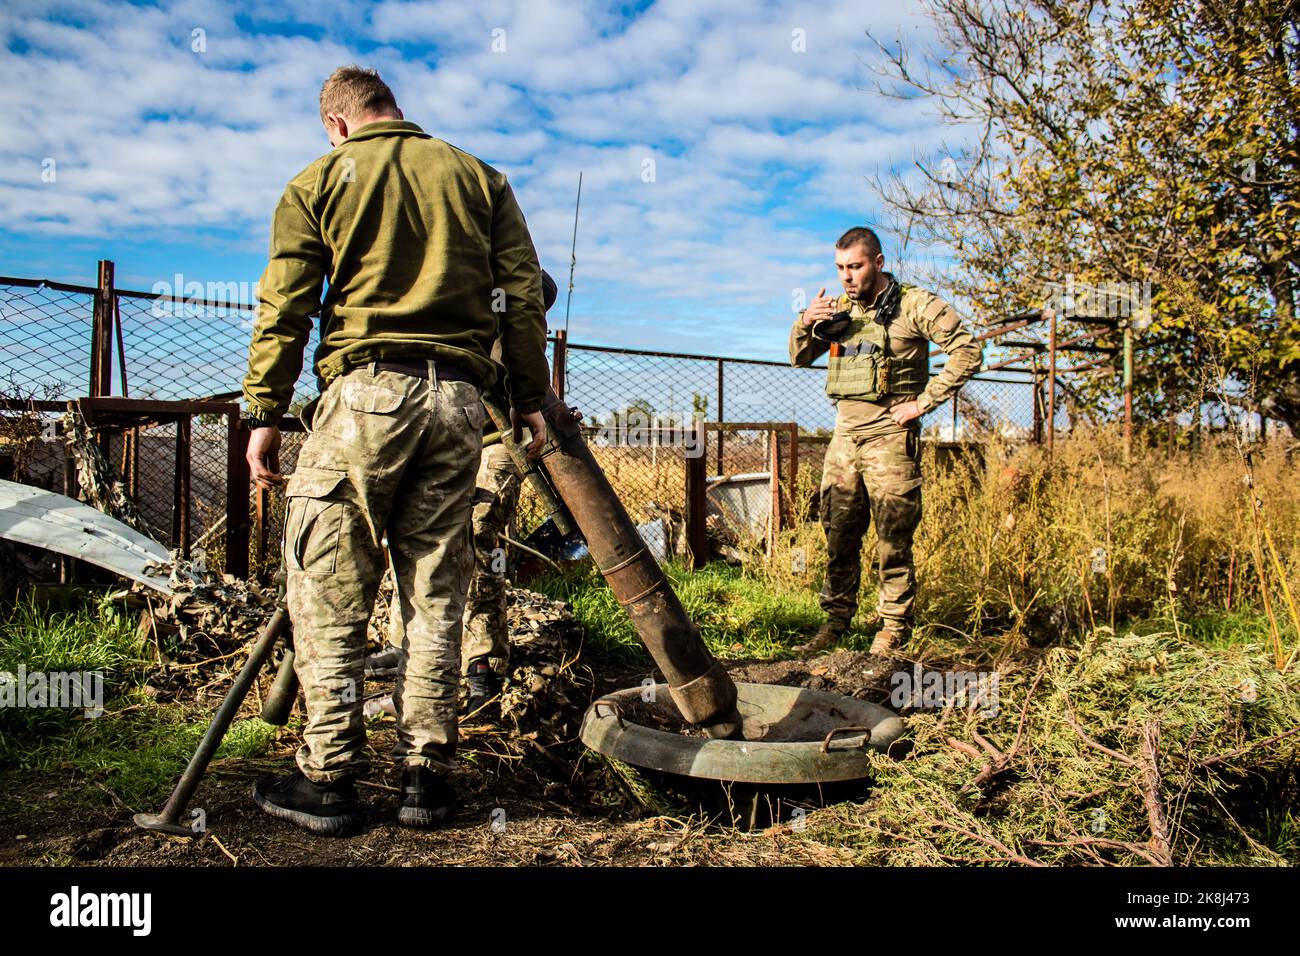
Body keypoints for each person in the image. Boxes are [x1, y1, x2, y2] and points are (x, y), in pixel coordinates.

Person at [241, 65, 549, 835]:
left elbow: (286, 306)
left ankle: (330, 776)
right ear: (394, 110)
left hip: (364, 397)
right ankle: (426, 778)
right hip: (459, 407)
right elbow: (521, 294)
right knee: (437, 590)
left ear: (338, 123)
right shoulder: (481, 179)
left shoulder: (320, 179)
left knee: (330, 587)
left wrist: (264, 412)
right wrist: (527, 399)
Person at [365, 270, 560, 718]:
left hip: (500, 442)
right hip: (448, 434)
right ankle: (404, 645)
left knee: (478, 537)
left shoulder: (519, 330)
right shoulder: (458, 316)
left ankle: (482, 661)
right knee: (414, 535)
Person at [789, 226, 982, 656]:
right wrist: (805, 322)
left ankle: (893, 626)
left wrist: (923, 403)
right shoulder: (838, 308)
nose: (846, 277)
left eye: (855, 266)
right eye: (840, 268)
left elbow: (968, 351)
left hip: (890, 437)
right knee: (838, 534)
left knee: (893, 535)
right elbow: (798, 357)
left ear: (877, 263)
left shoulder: (915, 305)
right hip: (845, 436)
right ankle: (836, 623)